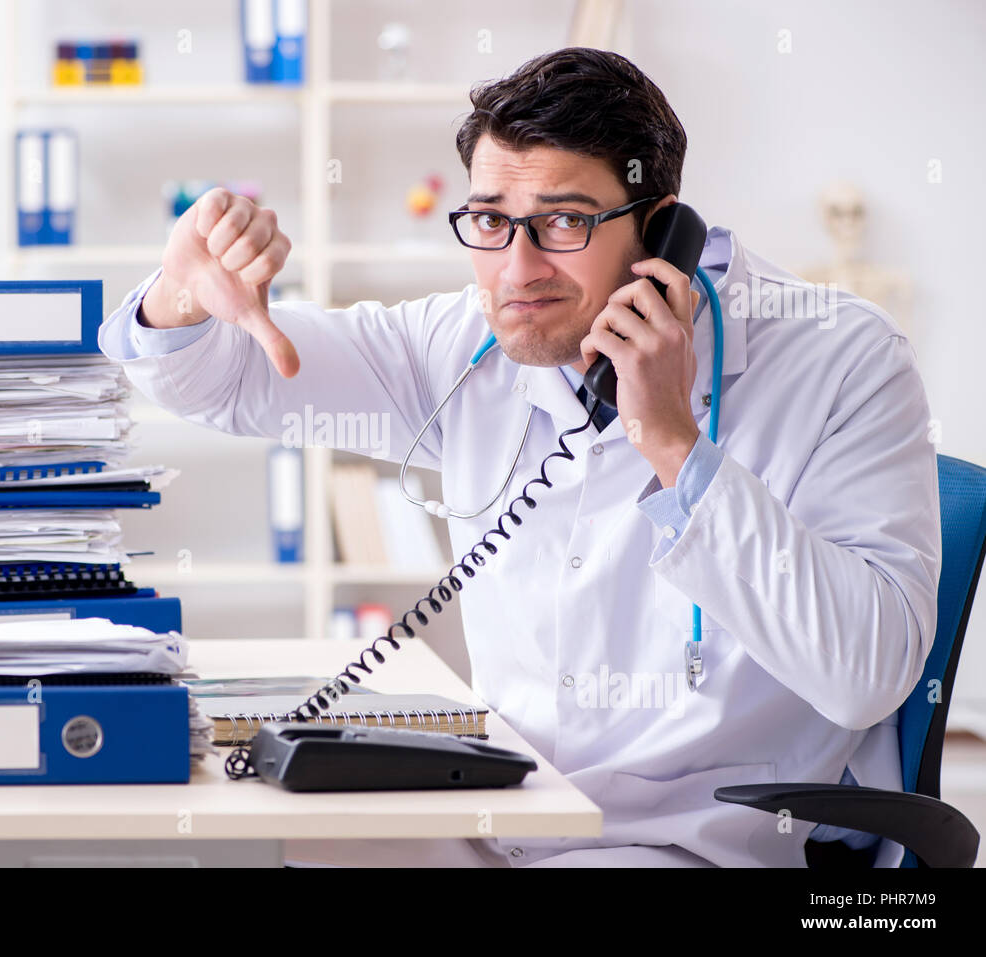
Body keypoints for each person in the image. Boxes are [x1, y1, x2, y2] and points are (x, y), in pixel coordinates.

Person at [99, 48, 939, 867]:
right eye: (492, 220)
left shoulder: (842, 359)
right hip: (497, 803)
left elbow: (865, 673)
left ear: (659, 228)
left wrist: (673, 441)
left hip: (683, 840)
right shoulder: (462, 343)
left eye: (565, 221)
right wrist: (180, 298)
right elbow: (235, 377)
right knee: (256, 846)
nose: (516, 268)